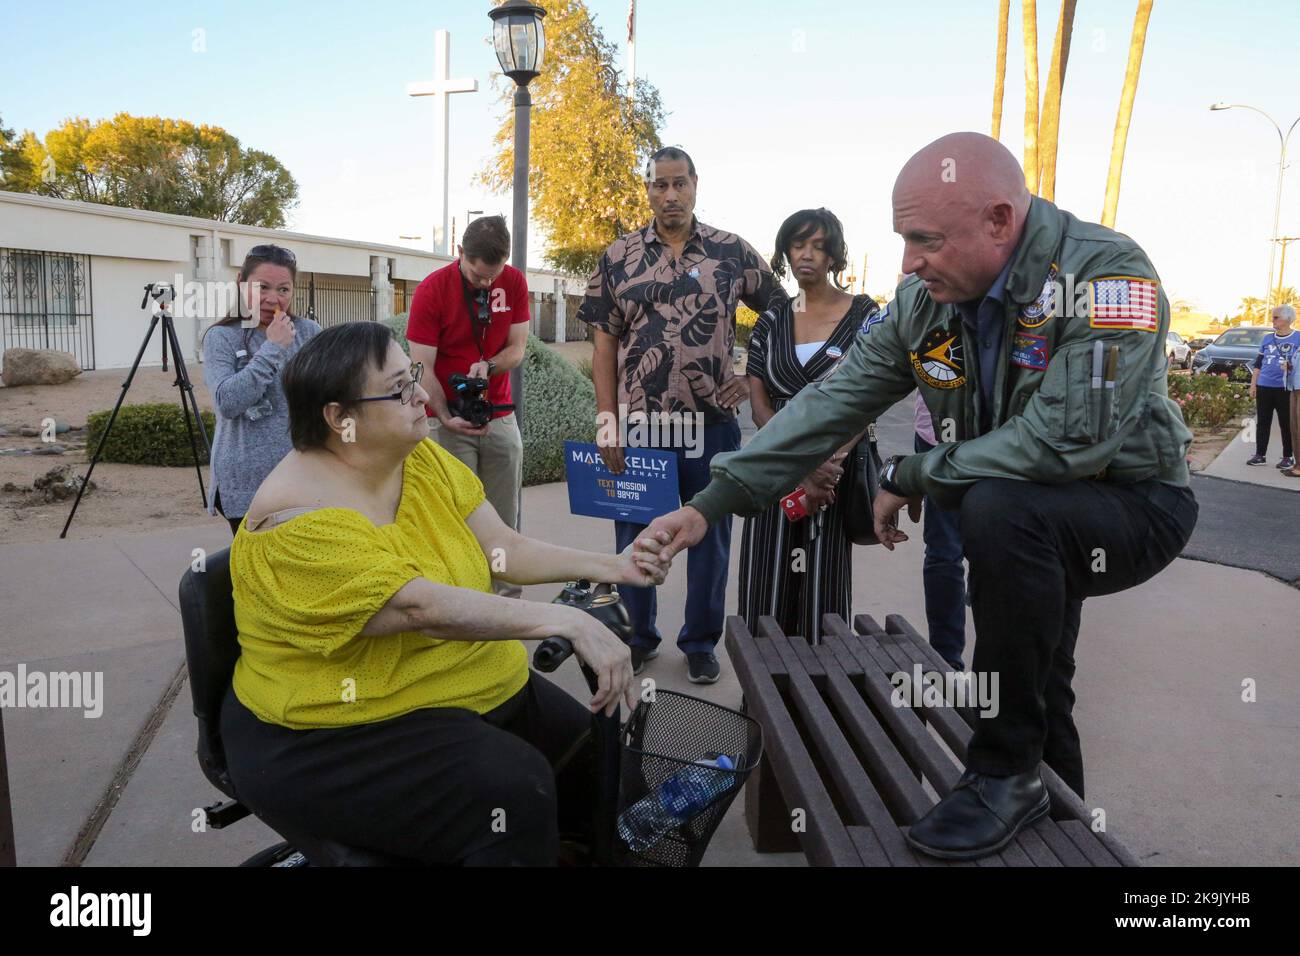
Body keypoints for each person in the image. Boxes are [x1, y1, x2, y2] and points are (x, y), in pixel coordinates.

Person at [639, 132, 1198, 861]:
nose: (907, 262)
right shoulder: (922, 302)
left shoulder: (1106, 274)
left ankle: (1003, 773)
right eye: (904, 239)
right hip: (1030, 511)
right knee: (1040, 666)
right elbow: (830, 405)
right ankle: (1061, 833)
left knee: (999, 510)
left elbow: (1068, 442)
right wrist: (709, 504)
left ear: (1000, 220)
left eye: (925, 240)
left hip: (1131, 505)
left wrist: (908, 476)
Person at [219, 321, 672, 866]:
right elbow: (418, 606)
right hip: (335, 728)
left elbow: (503, 547)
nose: (421, 392)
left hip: (462, 683)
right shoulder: (296, 524)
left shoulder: (415, 456)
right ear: (341, 420)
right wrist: (570, 622)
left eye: (411, 373)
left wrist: (615, 565)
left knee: (608, 768)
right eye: (399, 388)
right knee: (511, 796)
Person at [577, 146, 786, 684]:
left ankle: (699, 642)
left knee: (710, 536)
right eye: (659, 185)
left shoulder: (731, 252)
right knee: (636, 536)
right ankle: (638, 635)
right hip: (643, 426)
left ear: (696, 185)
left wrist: (751, 375)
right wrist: (608, 420)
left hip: (712, 423)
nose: (669, 195)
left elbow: (782, 313)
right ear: (646, 190)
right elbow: (603, 347)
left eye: (679, 184)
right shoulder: (618, 257)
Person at [738, 208, 877, 644]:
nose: (807, 255)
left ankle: (823, 696)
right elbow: (759, 402)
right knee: (767, 578)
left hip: (834, 471)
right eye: (798, 245)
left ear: (835, 255)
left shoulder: (864, 314)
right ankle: (762, 696)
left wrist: (825, 461)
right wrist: (798, 465)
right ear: (785, 251)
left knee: (822, 583)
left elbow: (870, 395)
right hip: (774, 472)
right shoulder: (771, 320)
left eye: (819, 246)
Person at [406, 215, 530, 597]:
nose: (486, 283)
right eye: (477, 276)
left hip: (499, 413)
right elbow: (420, 365)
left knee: (504, 516)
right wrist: (444, 415)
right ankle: (464, 597)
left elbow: (518, 348)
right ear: (460, 253)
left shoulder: (514, 282)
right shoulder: (432, 290)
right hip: (446, 419)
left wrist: (490, 366)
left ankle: (506, 598)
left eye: (493, 275)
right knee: (453, 516)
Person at [202, 244, 320, 534]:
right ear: (241, 282)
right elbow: (228, 403)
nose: (272, 299)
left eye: (283, 289)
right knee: (257, 570)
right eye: (262, 287)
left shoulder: (309, 332)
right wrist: (273, 347)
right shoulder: (222, 337)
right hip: (246, 482)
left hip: (303, 477)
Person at [913, 393, 968, 671]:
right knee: (944, 553)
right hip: (934, 436)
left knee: (948, 552)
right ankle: (947, 662)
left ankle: (951, 664)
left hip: (996, 440)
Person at [1246, 304, 1298, 469]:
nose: (1272, 320)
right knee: (1263, 422)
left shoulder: (1298, 338)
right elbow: (1258, 364)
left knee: (1286, 423)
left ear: (1287, 319)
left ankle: (1287, 456)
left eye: (1276, 317)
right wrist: (1253, 385)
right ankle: (1260, 455)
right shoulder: (1267, 338)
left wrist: (1292, 367)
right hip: (1264, 386)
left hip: (1284, 388)